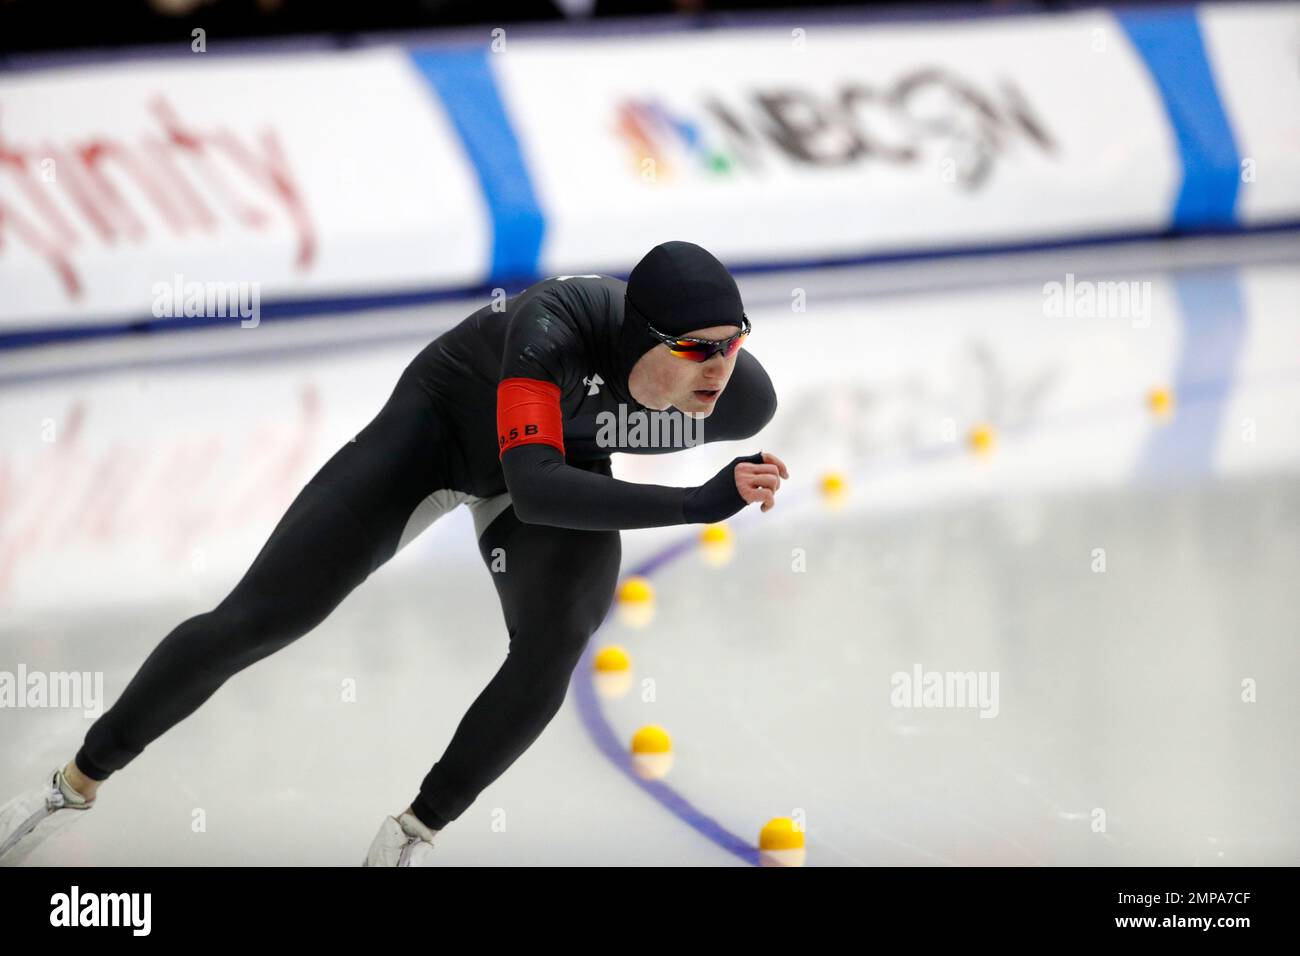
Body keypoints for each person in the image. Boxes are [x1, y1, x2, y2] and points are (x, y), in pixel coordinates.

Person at [0, 240, 788, 867]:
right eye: (696, 349)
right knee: (260, 619)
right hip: (440, 435)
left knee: (558, 639)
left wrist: (616, 445)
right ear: (639, 337)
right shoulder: (554, 323)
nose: (720, 368)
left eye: (733, 342)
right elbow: (537, 485)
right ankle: (75, 784)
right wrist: (694, 503)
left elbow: (576, 458)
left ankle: (411, 834)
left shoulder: (740, 399)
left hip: (552, 463)